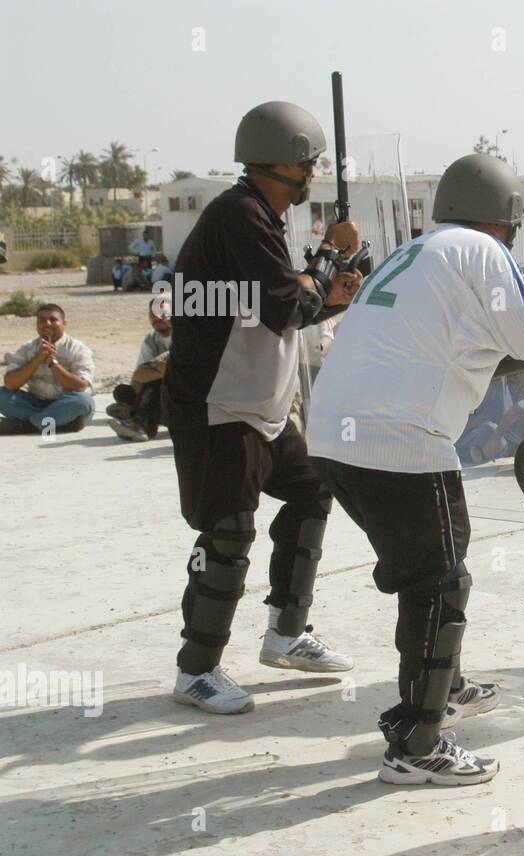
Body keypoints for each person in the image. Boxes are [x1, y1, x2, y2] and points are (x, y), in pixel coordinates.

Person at [306, 154, 524, 785]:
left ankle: (448, 685)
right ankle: (416, 744)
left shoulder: (422, 253)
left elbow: (493, 358)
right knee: (438, 584)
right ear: (508, 221)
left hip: (334, 434)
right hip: (399, 439)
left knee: (432, 565)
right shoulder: (484, 254)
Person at [161, 100, 364, 714]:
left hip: (262, 405)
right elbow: (283, 306)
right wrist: (329, 253)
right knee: (227, 533)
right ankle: (195, 670)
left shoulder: (262, 220)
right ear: (281, 162)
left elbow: (282, 311)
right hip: (218, 406)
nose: (312, 174)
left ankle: (286, 633)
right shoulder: (240, 214)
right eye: (308, 164)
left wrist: (332, 296)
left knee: (310, 493)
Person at [0, 303, 95, 435]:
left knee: (83, 401)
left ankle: (27, 426)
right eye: (42, 320)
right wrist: (37, 359)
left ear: (64, 323)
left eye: (53, 320)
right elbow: (10, 384)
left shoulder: (78, 349)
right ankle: (58, 423)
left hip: (66, 403)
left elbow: (79, 387)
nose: (47, 324)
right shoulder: (27, 348)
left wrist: (53, 363)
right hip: (36, 403)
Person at [107, 296, 172, 442]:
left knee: (155, 384)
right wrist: (158, 371)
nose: (157, 317)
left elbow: (172, 371)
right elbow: (138, 377)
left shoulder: (185, 335)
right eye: (152, 314)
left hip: (185, 397)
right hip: (160, 398)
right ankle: (136, 413)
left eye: (162, 313)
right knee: (122, 391)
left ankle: (140, 425)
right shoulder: (151, 339)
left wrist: (156, 371)